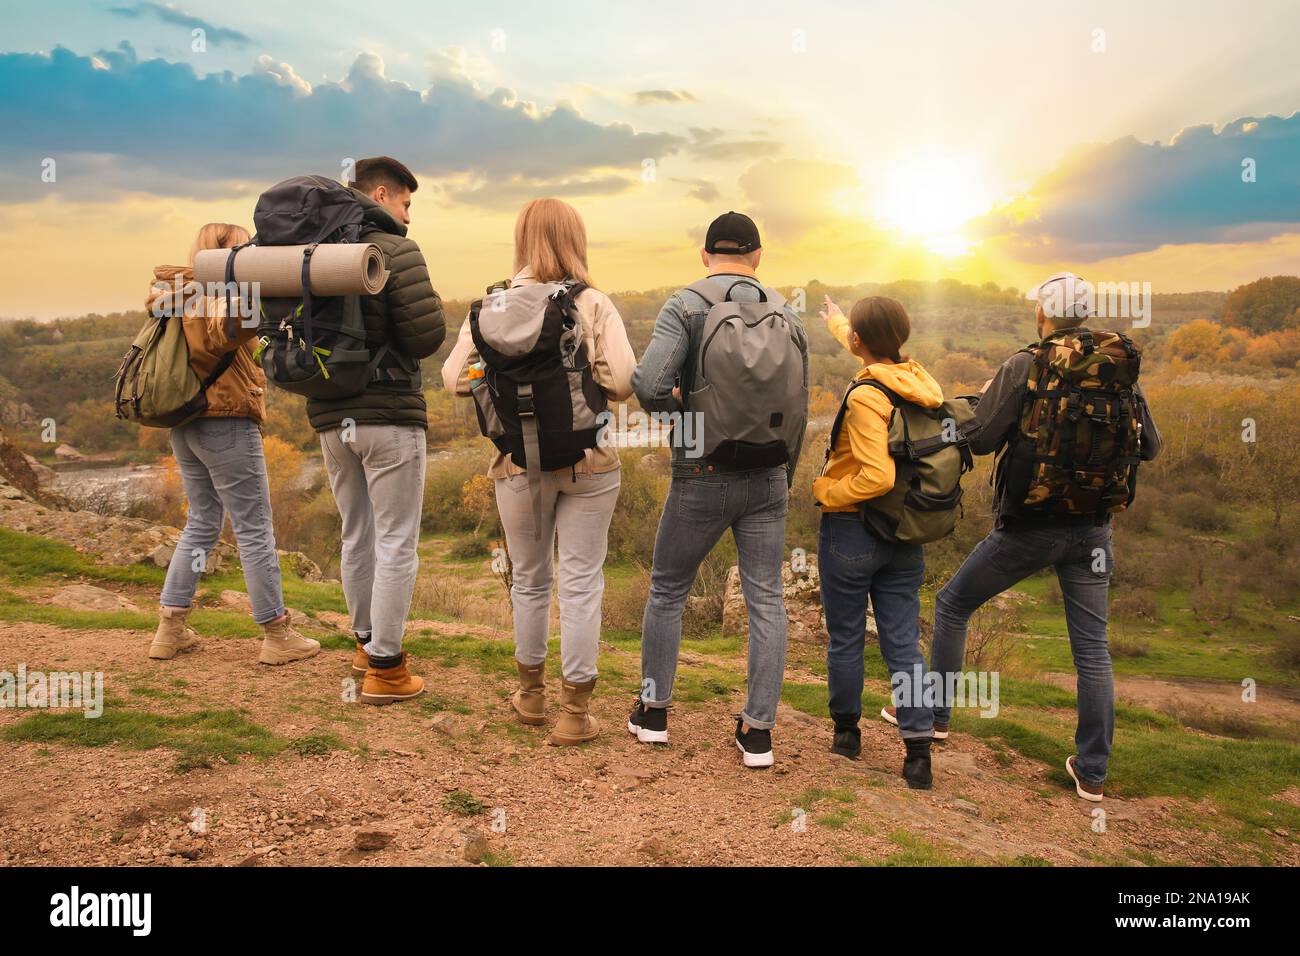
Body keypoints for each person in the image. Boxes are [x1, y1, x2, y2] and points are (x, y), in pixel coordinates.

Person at [918, 272, 1162, 801]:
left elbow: (980, 440)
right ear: (1087, 314)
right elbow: (1151, 448)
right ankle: (1093, 773)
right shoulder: (1120, 372)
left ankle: (935, 718)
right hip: (1094, 531)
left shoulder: (1024, 364)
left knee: (953, 604)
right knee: (1092, 650)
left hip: (1028, 527)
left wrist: (985, 403)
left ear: (1042, 315)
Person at [442, 198, 637, 744]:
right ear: (576, 239)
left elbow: (453, 379)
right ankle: (575, 712)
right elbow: (622, 381)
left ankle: (530, 695)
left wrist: (500, 375)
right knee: (580, 582)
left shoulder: (490, 306)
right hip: (590, 459)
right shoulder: (592, 302)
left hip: (514, 463)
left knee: (529, 581)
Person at [628, 211, 809, 768]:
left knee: (667, 590)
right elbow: (800, 409)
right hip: (769, 477)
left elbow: (648, 385)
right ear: (757, 257)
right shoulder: (787, 311)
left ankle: (654, 714)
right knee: (766, 601)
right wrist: (784, 475)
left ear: (705, 254)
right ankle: (758, 734)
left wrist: (688, 420)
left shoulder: (684, 304)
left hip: (701, 473)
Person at [146, 223, 320, 666]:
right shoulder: (214, 298)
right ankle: (277, 633)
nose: (249, 252)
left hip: (184, 422)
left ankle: (170, 628)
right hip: (224, 420)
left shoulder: (175, 297)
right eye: (240, 247)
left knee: (202, 521)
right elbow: (241, 325)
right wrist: (258, 280)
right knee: (254, 528)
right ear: (218, 254)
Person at [311, 156, 446, 705]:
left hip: (329, 418)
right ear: (383, 193)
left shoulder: (315, 253)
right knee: (397, 540)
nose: (409, 217)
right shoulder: (395, 249)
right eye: (407, 204)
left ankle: (366, 644)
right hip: (387, 415)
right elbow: (425, 335)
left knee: (356, 532)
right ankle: (387, 670)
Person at [813, 295, 942, 788]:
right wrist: (837, 320)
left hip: (853, 527)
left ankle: (847, 734)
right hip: (907, 531)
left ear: (861, 342)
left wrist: (827, 491)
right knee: (903, 643)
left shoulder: (867, 396)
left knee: (846, 638)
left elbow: (876, 477)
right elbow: (868, 348)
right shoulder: (916, 381)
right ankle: (917, 753)